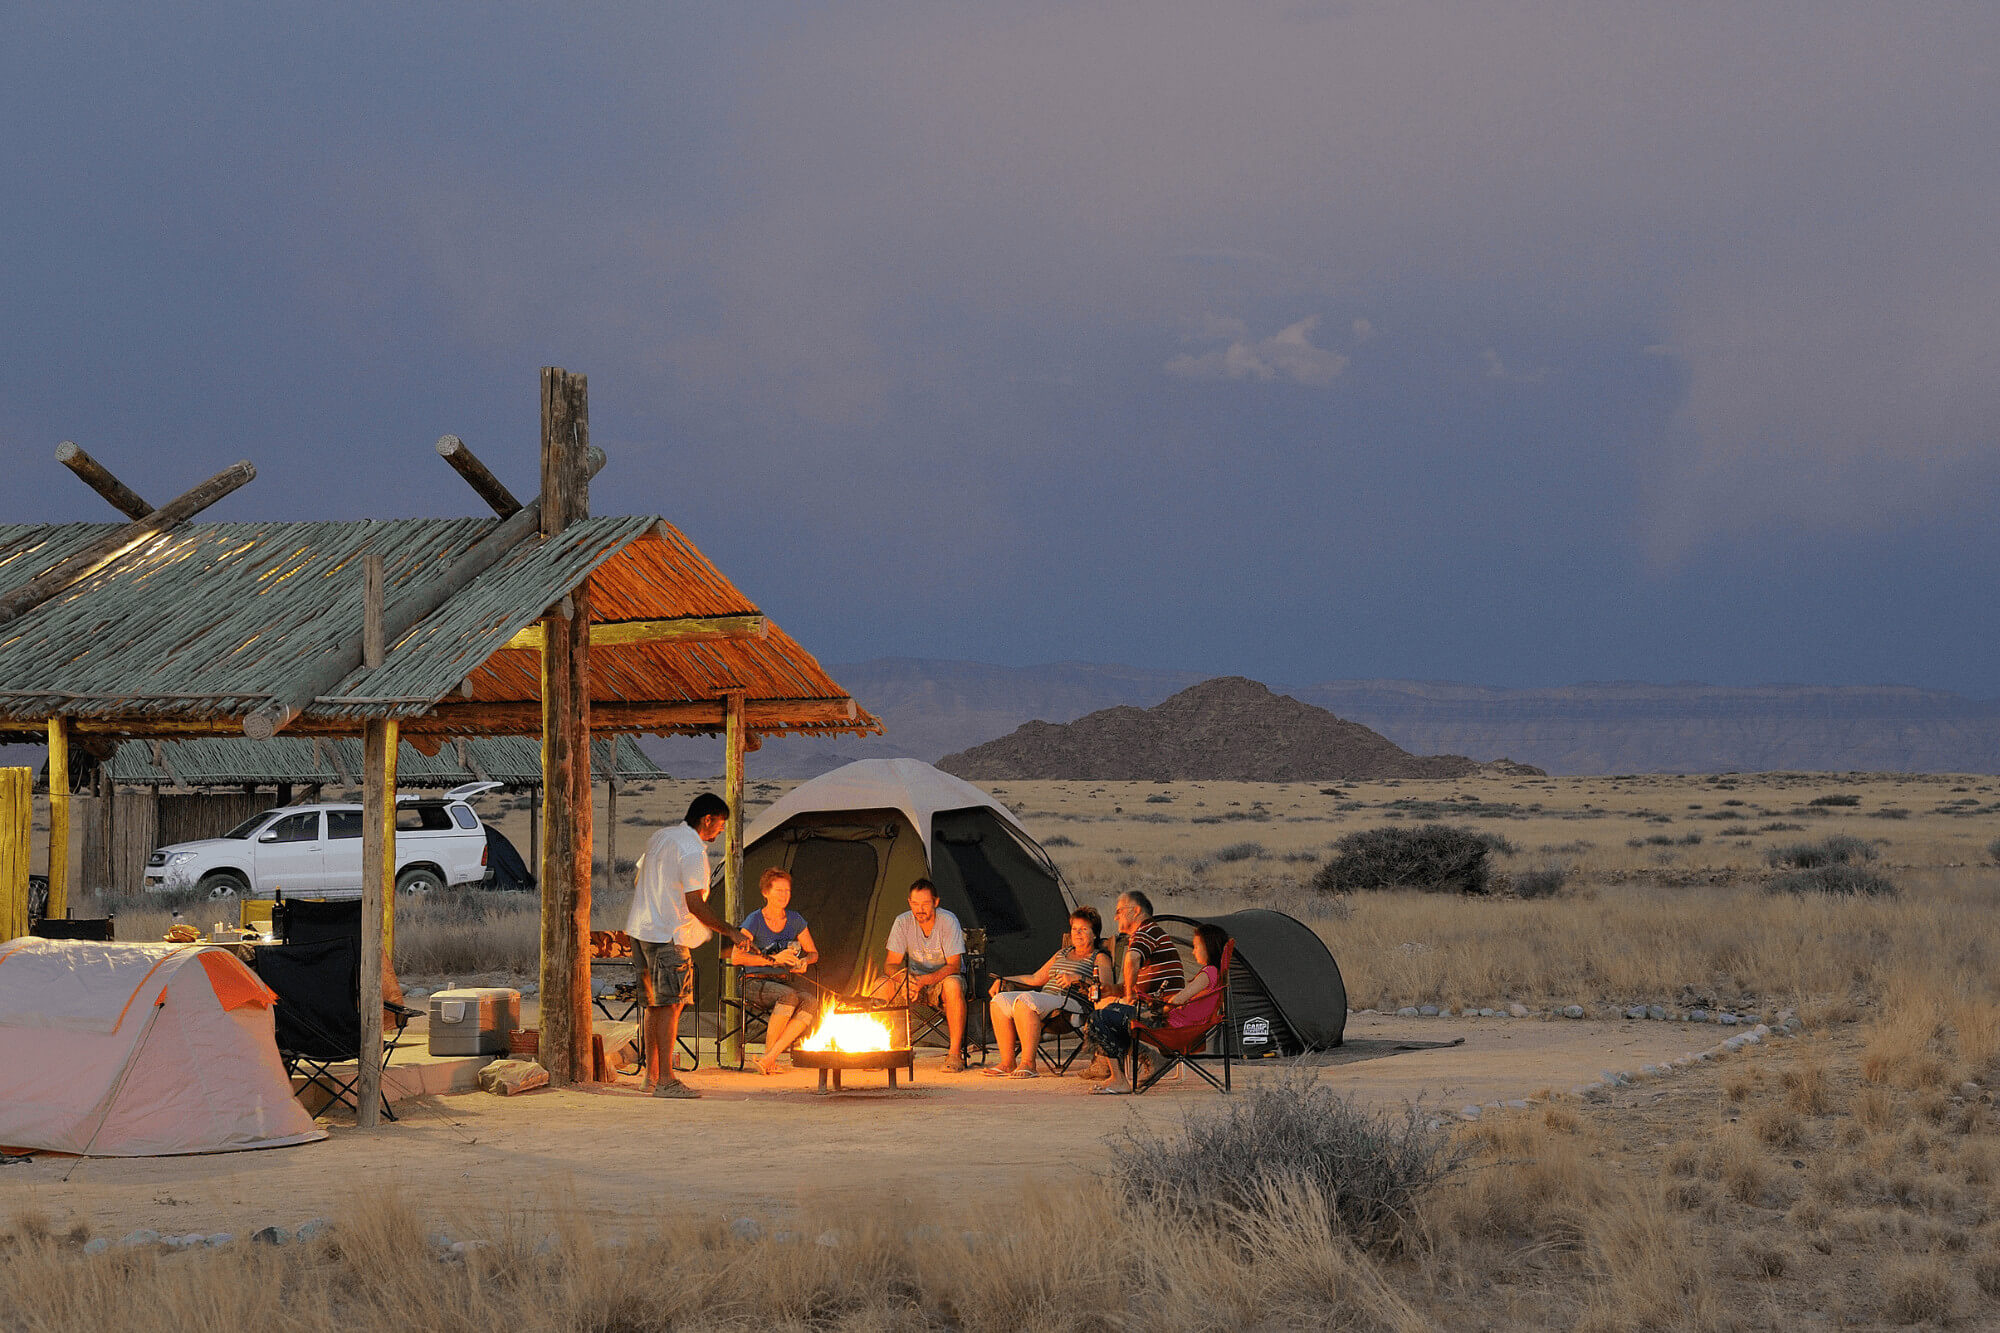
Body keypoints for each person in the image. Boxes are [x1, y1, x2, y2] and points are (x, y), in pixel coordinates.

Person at [625, 793, 756, 1099]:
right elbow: (695, 904)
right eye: (720, 824)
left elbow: (637, 879)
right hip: (669, 935)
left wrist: (658, 900)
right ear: (707, 819)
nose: (720, 831)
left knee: (655, 1005)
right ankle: (667, 1081)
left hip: (641, 929)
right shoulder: (693, 851)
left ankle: (652, 1076)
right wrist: (731, 932)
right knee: (671, 1005)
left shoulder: (661, 837)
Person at [983, 906, 1114, 1078]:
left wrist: (1078, 977)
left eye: (1083, 929)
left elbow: (1106, 987)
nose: (1077, 933)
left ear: (1094, 934)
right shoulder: (1062, 953)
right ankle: (1008, 1063)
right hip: (1047, 999)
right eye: (1074, 929)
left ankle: (1028, 1064)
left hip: (1072, 1004)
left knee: (1025, 1000)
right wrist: (1004, 979)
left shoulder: (1099, 957)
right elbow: (1035, 978)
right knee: (999, 1000)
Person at [1086, 891, 1191, 1094]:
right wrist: (1114, 990)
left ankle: (1122, 1075)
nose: (1115, 917)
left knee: (1098, 1017)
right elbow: (1146, 980)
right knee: (1104, 1006)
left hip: (1161, 1011)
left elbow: (1132, 959)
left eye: (1119, 911)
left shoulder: (1146, 931)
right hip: (1159, 1005)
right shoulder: (1150, 933)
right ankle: (1124, 1062)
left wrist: (1129, 995)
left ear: (1135, 911)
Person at [729, 867, 820, 1076]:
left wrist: (804, 961)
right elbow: (736, 957)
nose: (784, 896)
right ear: (765, 893)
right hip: (753, 982)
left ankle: (769, 1058)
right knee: (788, 996)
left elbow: (813, 952)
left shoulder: (795, 919)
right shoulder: (754, 920)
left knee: (811, 1001)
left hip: (781, 982)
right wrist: (773, 960)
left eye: (787, 891)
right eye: (778, 891)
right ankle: (770, 1058)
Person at [871, 878, 969, 1071]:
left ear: (936, 902)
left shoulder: (948, 921)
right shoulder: (902, 921)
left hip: (942, 979)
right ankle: (878, 1052)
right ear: (909, 902)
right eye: (915, 904)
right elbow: (890, 964)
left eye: (925, 904)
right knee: (880, 986)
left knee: (953, 985)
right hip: (913, 980)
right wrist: (903, 979)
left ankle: (955, 1054)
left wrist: (925, 980)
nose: (920, 909)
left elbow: (954, 966)